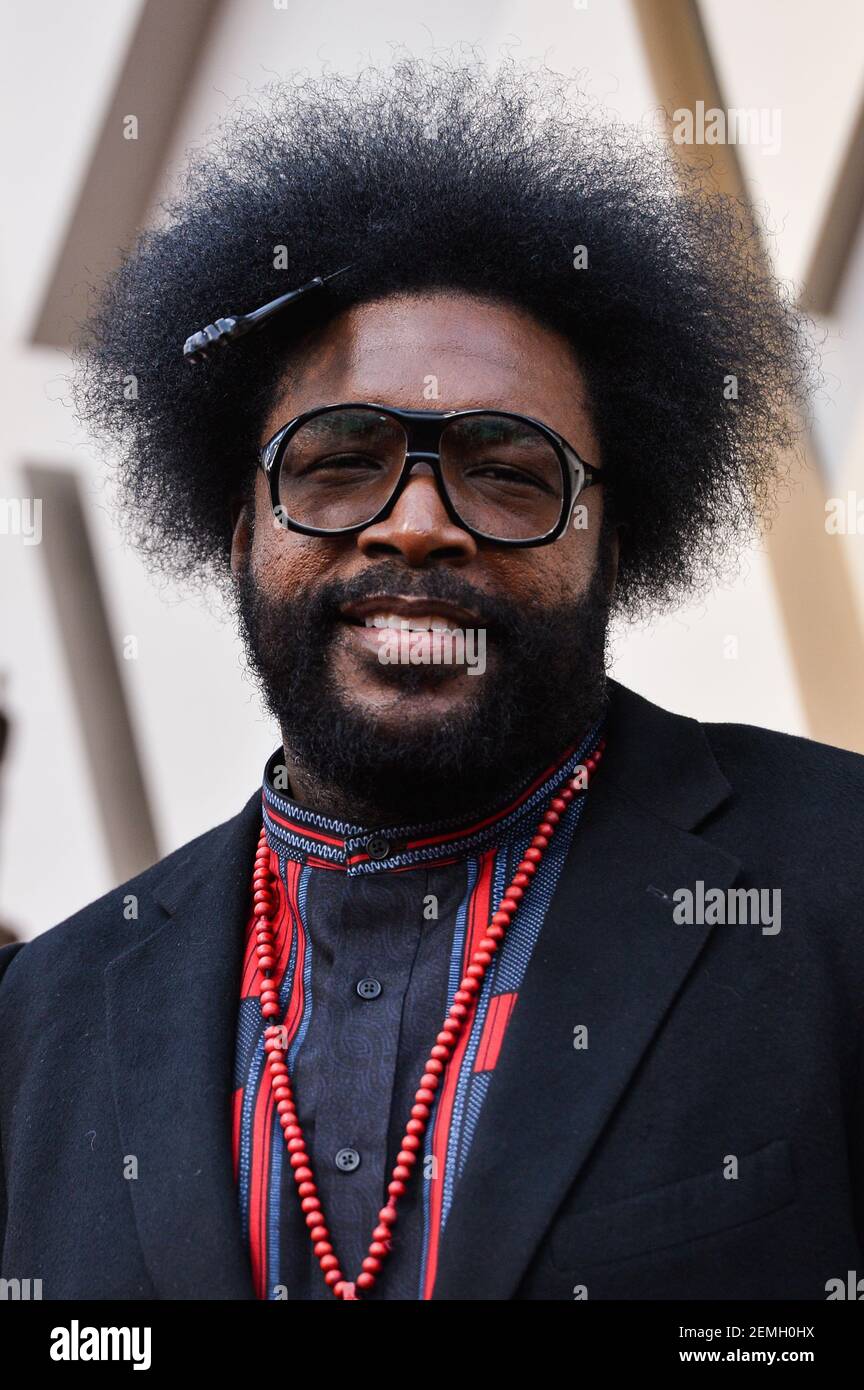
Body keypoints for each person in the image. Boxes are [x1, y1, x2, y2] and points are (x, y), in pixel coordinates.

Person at [1, 57, 862, 1302]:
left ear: (614, 545)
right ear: (239, 528)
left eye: (507, 470)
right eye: (339, 460)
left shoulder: (833, 883)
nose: (415, 525)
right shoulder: (49, 1013)